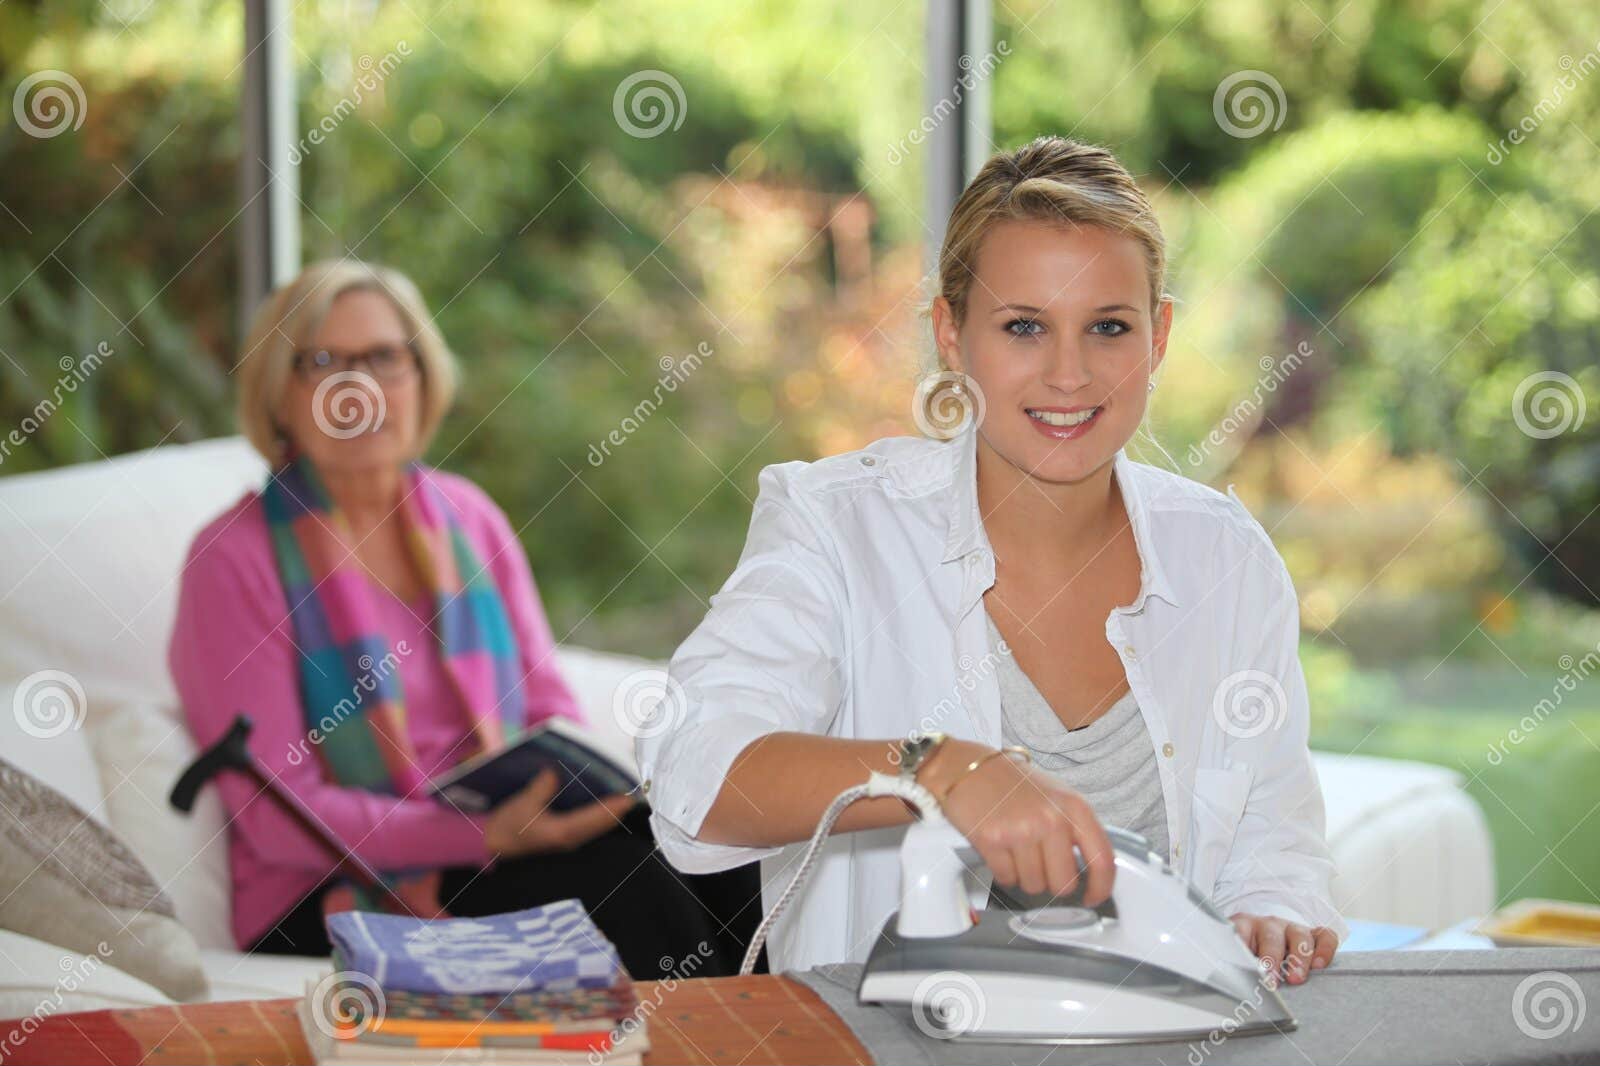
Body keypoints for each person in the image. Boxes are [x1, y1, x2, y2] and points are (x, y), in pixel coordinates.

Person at [638, 136, 1347, 983]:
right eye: (1023, 327)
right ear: (951, 333)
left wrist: (1275, 912)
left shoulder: (1227, 562)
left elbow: (1275, 837)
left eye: (1109, 328)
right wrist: (938, 768)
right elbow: (694, 776)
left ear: (1157, 336)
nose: (1069, 374)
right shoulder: (835, 526)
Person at [168, 259, 756, 979]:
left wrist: (575, 797)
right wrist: (478, 834)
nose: (360, 389)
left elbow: (547, 708)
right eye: (324, 361)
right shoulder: (230, 560)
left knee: (722, 855)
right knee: (622, 888)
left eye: (384, 357)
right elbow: (275, 813)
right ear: (278, 394)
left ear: (422, 375)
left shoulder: (468, 517)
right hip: (333, 891)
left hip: (516, 836)